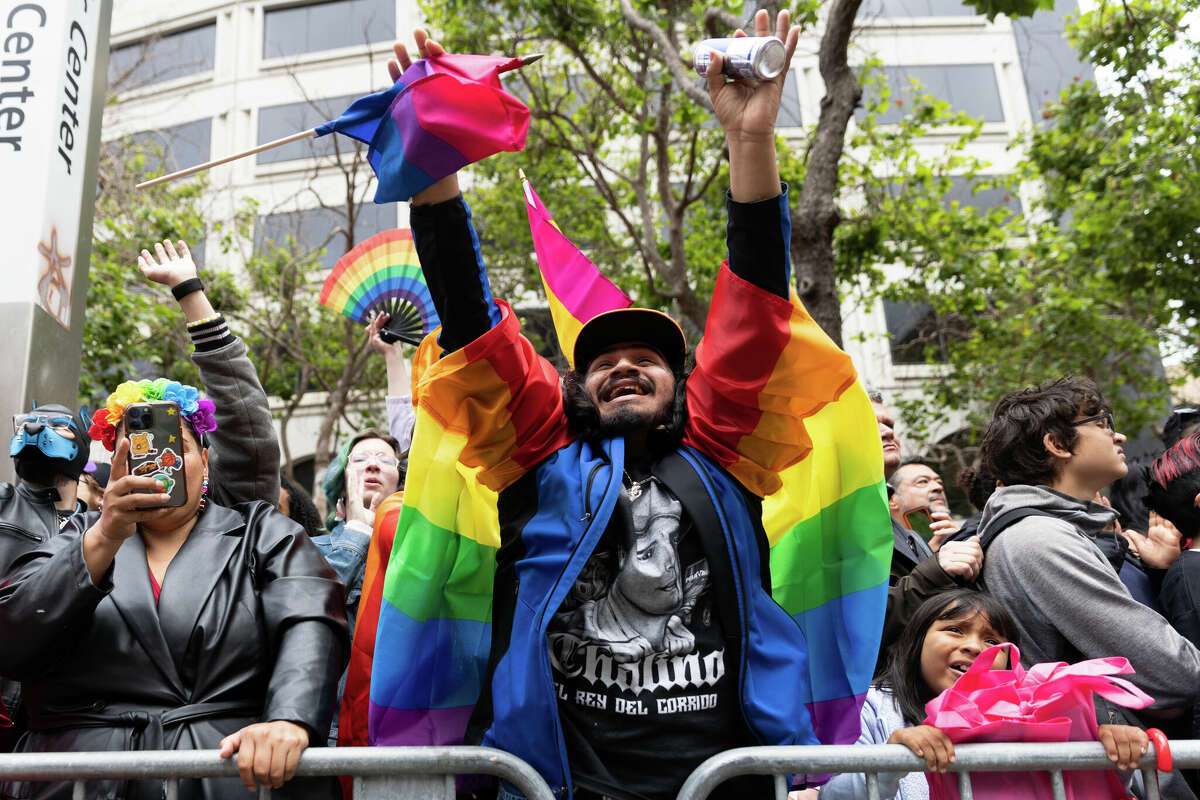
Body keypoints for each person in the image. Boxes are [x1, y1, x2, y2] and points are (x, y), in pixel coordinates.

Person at [386, 14, 865, 799]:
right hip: (560, 782)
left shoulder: (725, 447)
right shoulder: (539, 452)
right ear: (575, 390)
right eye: (603, 364)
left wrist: (751, 139)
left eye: (648, 360)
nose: (624, 369)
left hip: (723, 780)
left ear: (687, 386)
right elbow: (471, 315)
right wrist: (435, 152)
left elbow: (756, 299)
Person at [0, 377, 348, 799]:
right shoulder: (78, 537)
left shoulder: (261, 533)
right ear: (117, 463)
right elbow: (13, 640)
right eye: (138, 448)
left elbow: (310, 620)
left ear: (204, 458)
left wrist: (289, 718)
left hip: (229, 773)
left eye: (177, 446)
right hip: (83, 779)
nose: (159, 460)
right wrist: (104, 538)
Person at [977, 377, 1200, 799]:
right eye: (1102, 422)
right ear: (1058, 445)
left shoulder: (1055, 531)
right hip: (1096, 777)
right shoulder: (1041, 539)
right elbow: (1171, 670)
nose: (1119, 434)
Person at [820, 589, 1148, 800]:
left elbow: (1088, 788)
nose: (974, 647)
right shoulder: (871, 708)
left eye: (992, 641)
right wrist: (892, 760)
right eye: (955, 629)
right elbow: (833, 797)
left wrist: (1113, 751)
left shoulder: (1037, 715)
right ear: (917, 640)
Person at [872, 394, 981, 674]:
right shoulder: (833, 519)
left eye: (890, 424)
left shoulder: (915, 538)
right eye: (871, 423)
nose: (887, 432)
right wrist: (936, 569)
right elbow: (860, 621)